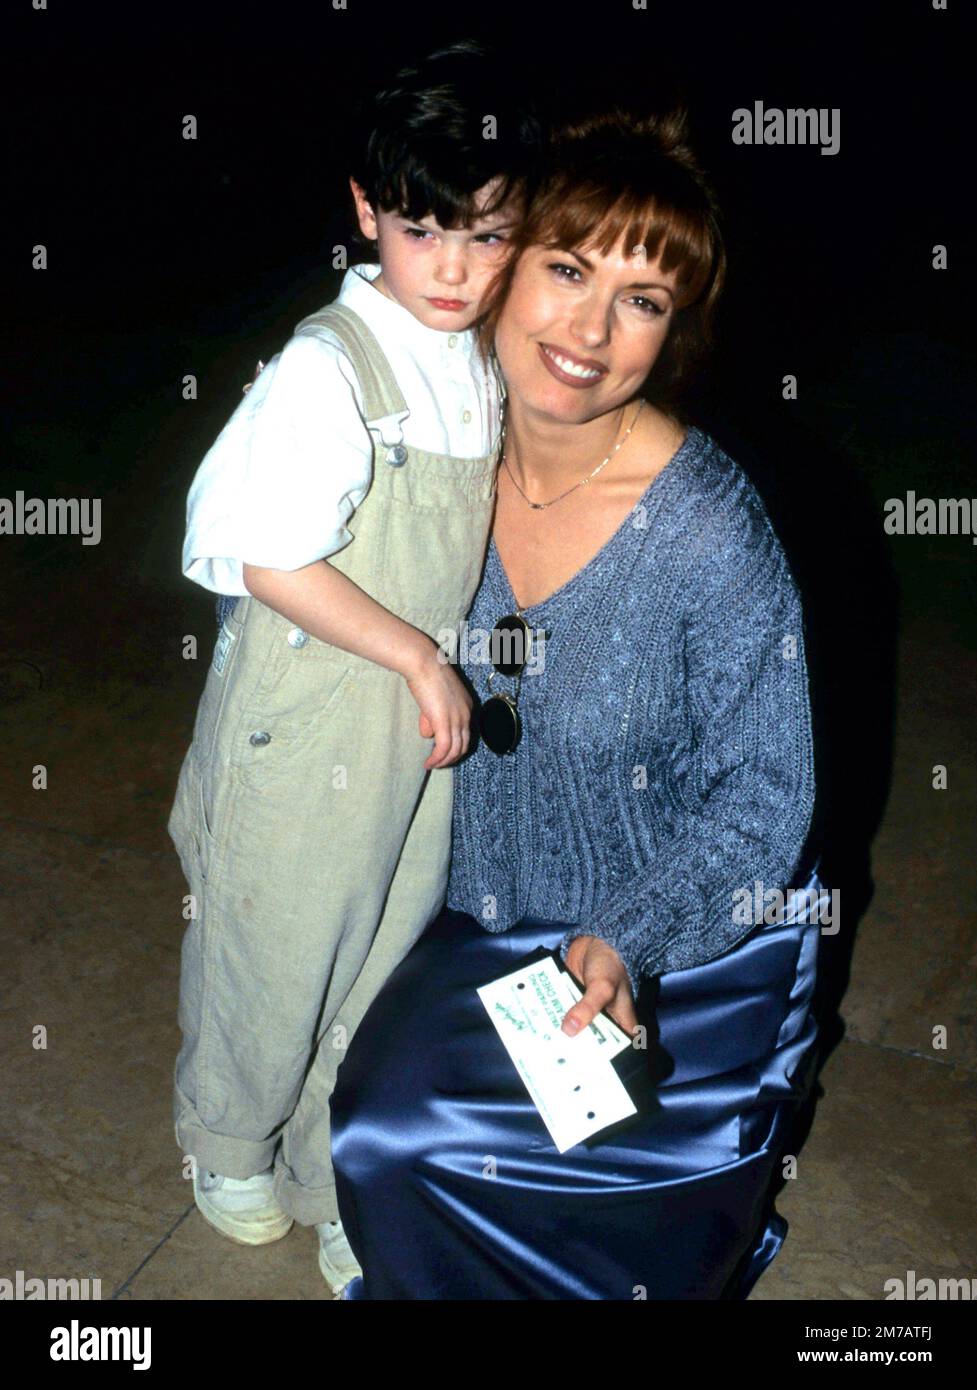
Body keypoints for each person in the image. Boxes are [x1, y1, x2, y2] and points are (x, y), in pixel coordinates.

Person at [329, 104, 828, 1299]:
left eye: (642, 300)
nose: (591, 330)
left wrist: (628, 938)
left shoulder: (709, 530)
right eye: (565, 269)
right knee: (372, 1129)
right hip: (487, 919)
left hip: (685, 954)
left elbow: (769, 799)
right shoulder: (438, 450)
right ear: (499, 263)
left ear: (675, 327)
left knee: (481, 1153)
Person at [165, 41, 539, 1293]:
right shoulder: (333, 369)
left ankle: (339, 1169)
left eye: (489, 238)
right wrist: (414, 655)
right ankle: (228, 1137)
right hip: (309, 704)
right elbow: (260, 551)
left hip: (408, 724)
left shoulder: (476, 367)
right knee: (274, 948)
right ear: (367, 209)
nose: (456, 270)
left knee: (380, 957)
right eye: (426, 231)